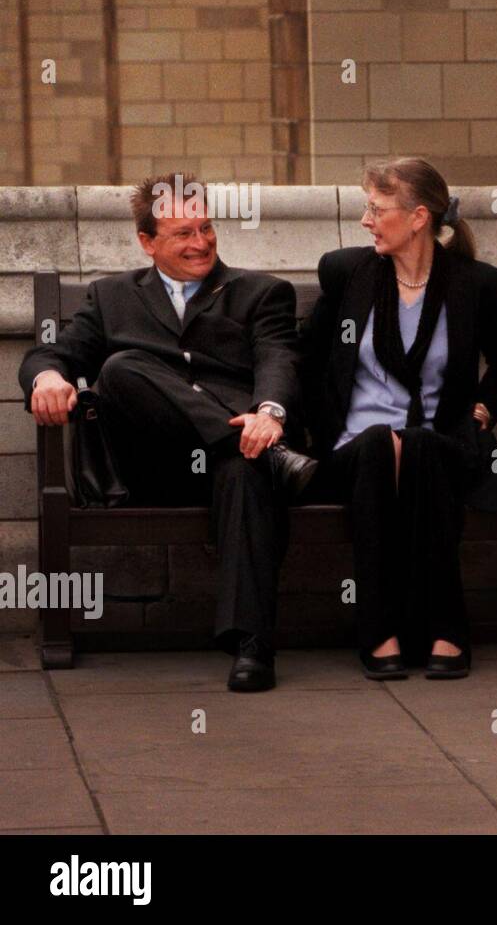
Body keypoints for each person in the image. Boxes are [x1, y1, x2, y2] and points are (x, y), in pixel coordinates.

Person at [19, 174, 317, 692]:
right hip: (147, 466)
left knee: (245, 468)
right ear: (147, 241)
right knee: (122, 368)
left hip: (235, 458)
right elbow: (53, 355)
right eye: (182, 233)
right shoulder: (111, 297)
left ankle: (252, 647)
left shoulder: (260, 292)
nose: (200, 242)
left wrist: (269, 413)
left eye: (206, 227)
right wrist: (47, 376)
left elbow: (278, 359)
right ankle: (270, 458)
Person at [298, 157, 497, 681]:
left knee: (417, 447)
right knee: (383, 444)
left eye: (377, 209)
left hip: (438, 446)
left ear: (419, 217)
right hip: (354, 452)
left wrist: (485, 407)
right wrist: (311, 426)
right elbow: (305, 359)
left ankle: (435, 627)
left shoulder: (474, 287)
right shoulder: (347, 274)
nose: (365, 220)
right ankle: (388, 629)